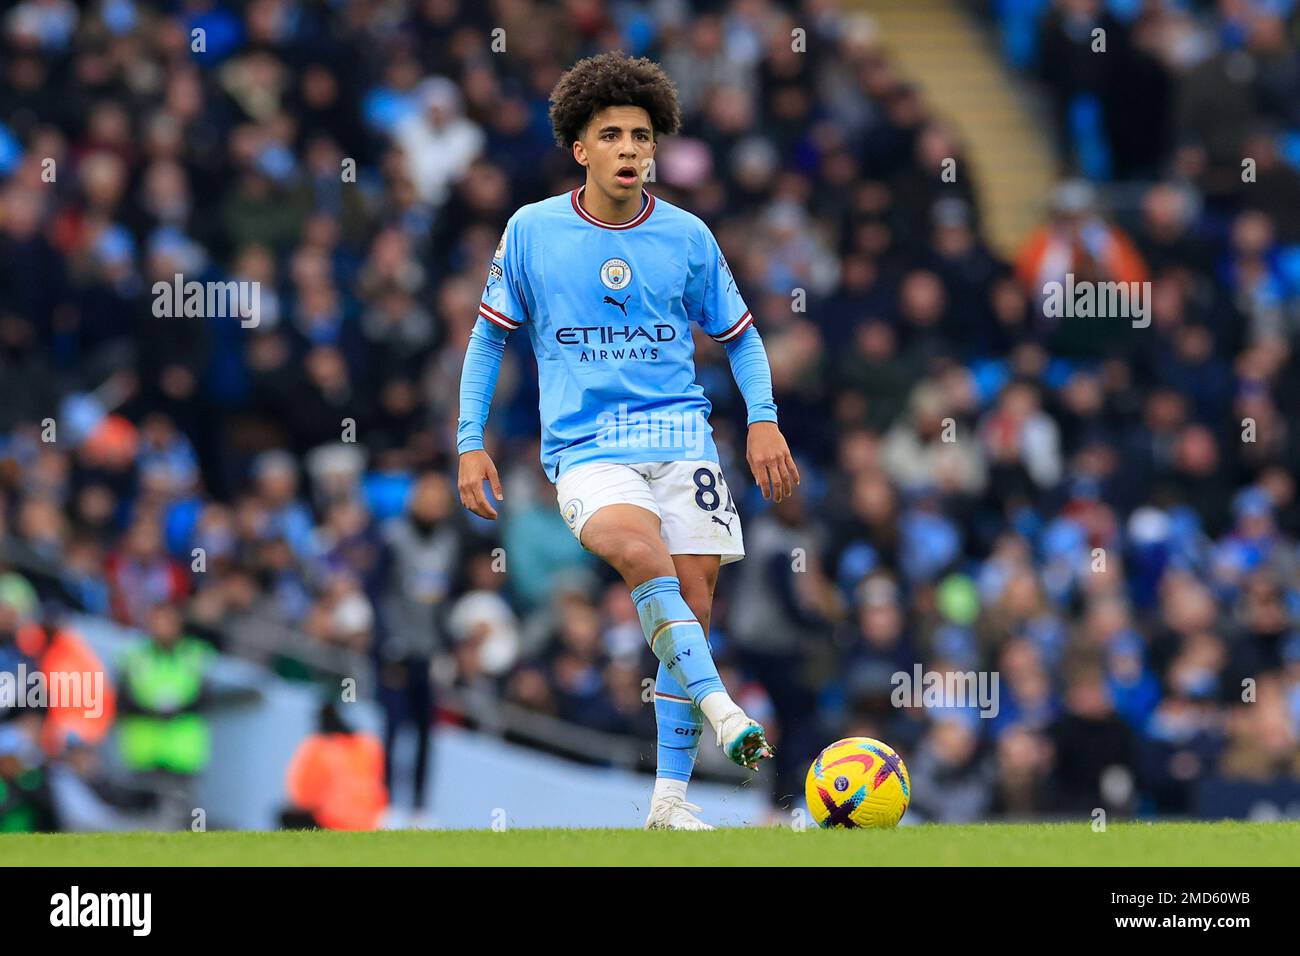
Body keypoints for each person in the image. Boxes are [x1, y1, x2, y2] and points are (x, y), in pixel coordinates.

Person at [456, 52, 799, 830]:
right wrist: (469, 439)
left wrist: (764, 418)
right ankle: (724, 712)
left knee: (695, 601)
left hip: (683, 441)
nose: (629, 149)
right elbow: (487, 341)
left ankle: (669, 804)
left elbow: (741, 338)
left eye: (641, 136)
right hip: (587, 450)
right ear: (580, 149)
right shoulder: (533, 230)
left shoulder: (685, 235)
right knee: (641, 558)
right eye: (610, 135)